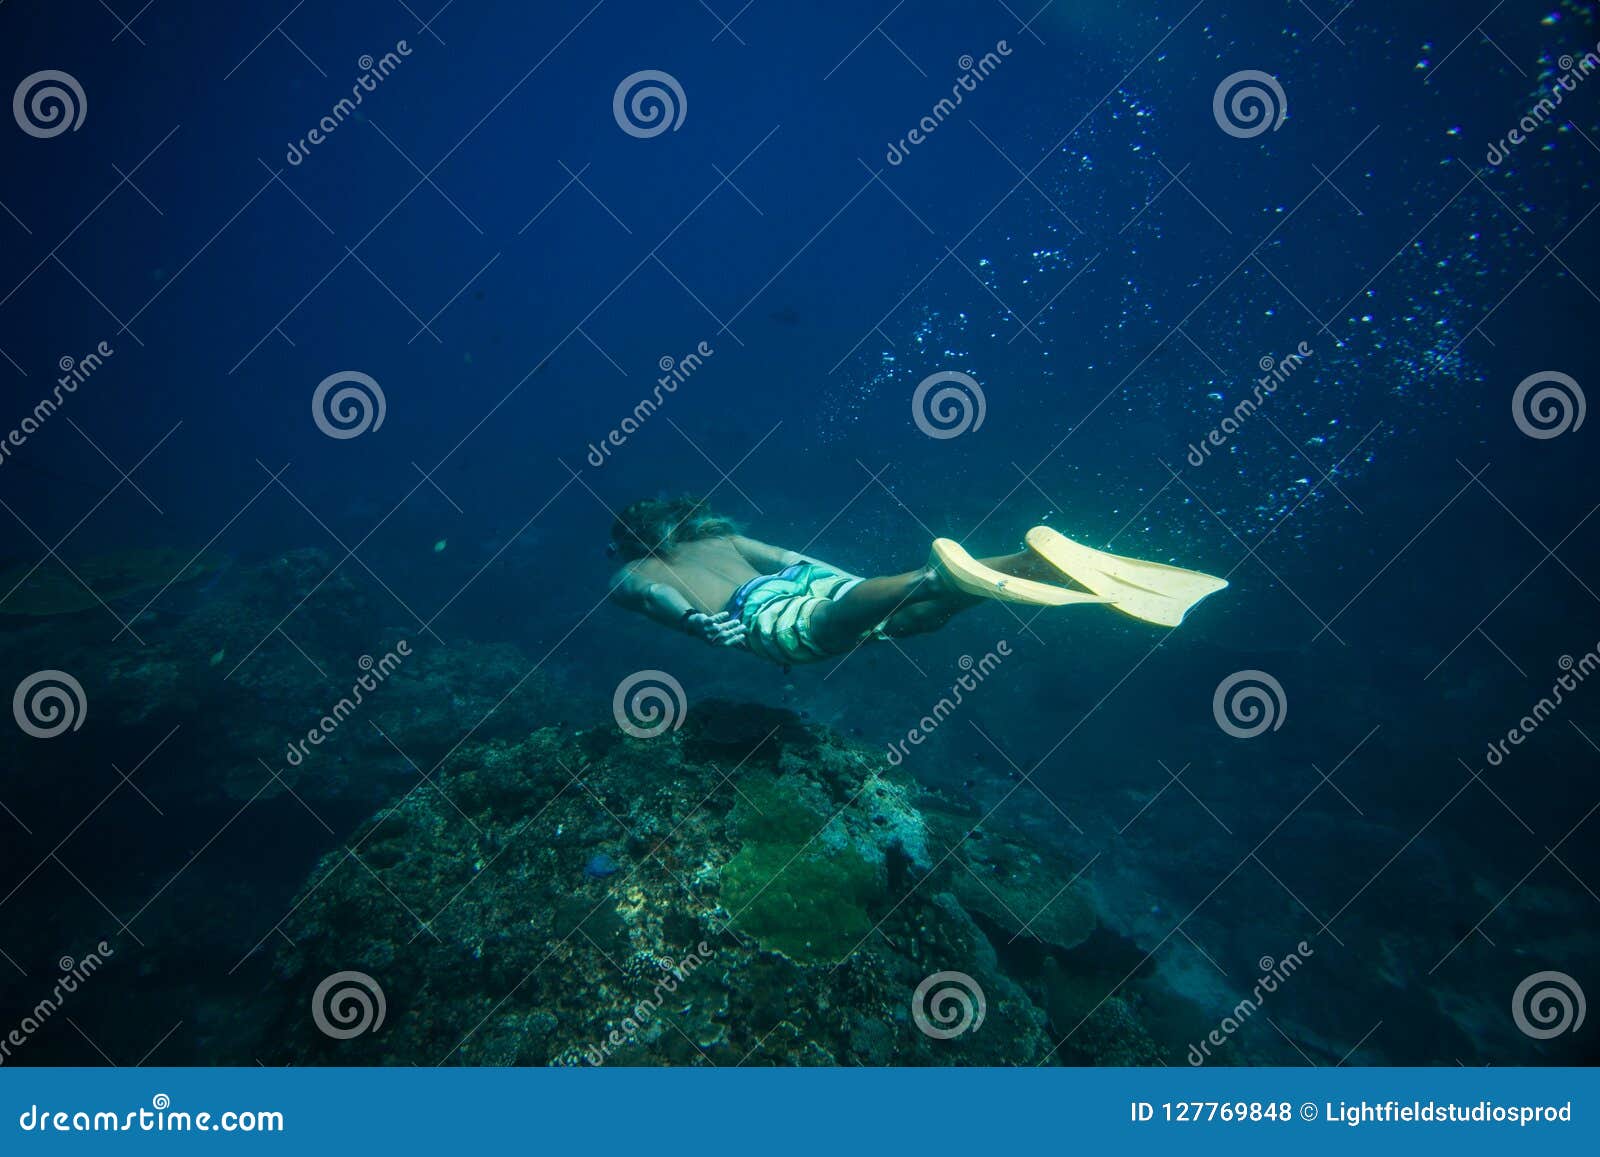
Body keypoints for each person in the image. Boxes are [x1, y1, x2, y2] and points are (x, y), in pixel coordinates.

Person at [607, 496, 1228, 667]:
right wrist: (850, 581)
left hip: (755, 614)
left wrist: (692, 621)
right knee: (905, 620)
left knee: (820, 630)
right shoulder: (717, 536)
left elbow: (651, 596)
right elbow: (789, 554)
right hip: (807, 580)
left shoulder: (631, 569)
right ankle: (1015, 567)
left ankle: (933, 576)